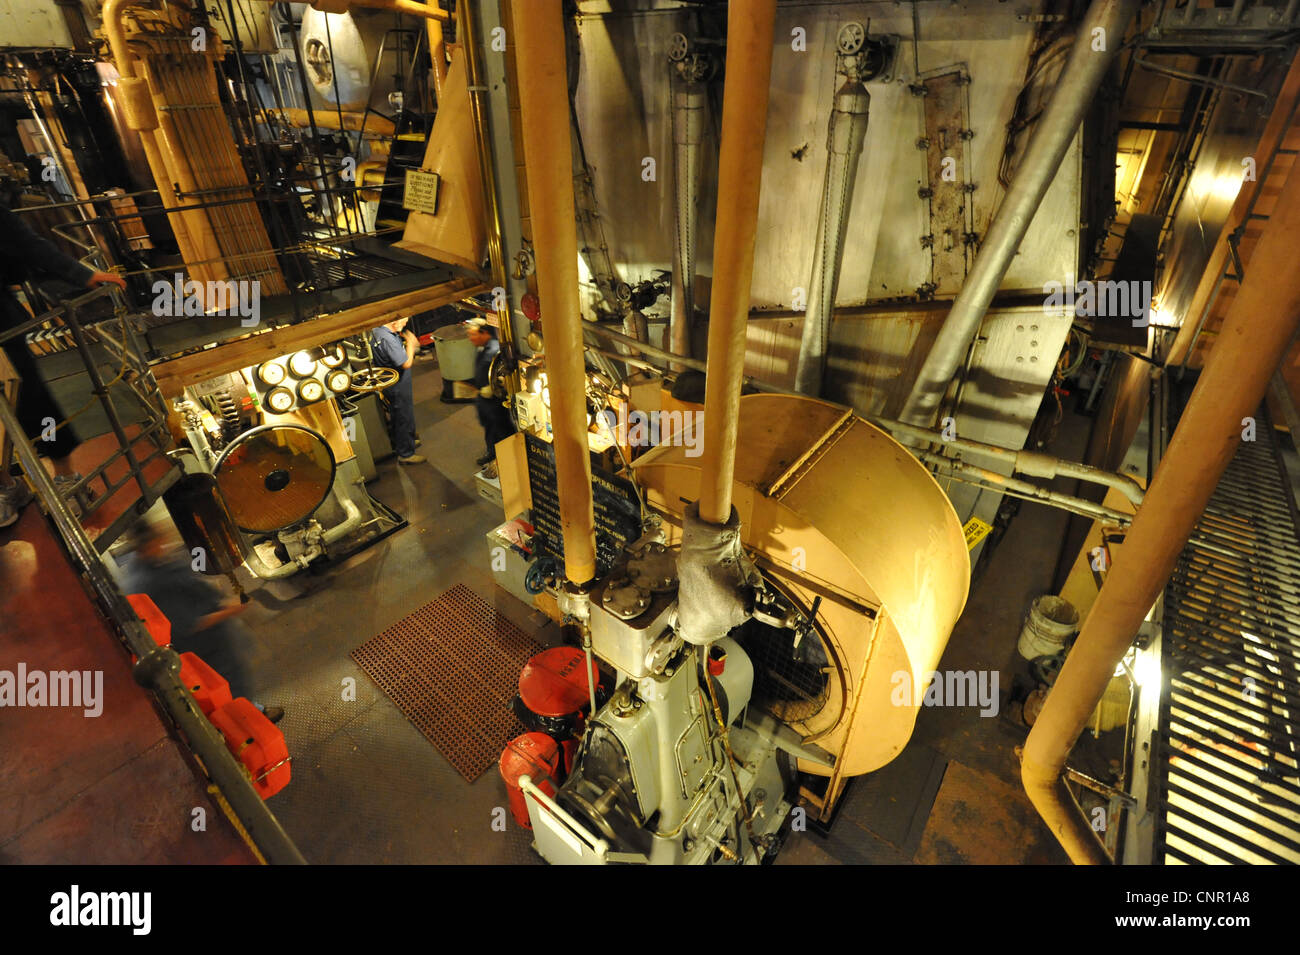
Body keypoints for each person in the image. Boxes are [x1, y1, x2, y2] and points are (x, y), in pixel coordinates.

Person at [0, 203, 127, 528]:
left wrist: (83, 274)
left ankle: (67, 476)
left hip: (1, 326)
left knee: (31, 400)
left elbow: (27, 243)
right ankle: (7, 486)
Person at [118, 520, 283, 723]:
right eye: (159, 540)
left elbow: (183, 578)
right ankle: (249, 722)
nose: (164, 542)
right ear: (148, 545)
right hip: (203, 646)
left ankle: (250, 710)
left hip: (213, 636)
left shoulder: (148, 562)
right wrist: (231, 609)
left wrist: (209, 587)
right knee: (224, 685)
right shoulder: (149, 583)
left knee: (232, 680)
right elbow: (188, 625)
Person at [369, 316, 426, 465]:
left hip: (389, 382)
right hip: (398, 385)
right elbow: (405, 363)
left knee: (397, 416)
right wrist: (411, 345)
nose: (406, 323)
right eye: (404, 321)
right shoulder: (388, 339)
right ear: (394, 321)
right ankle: (406, 453)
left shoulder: (378, 330)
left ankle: (403, 442)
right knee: (404, 417)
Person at [467, 318, 515, 466]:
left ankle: (508, 459)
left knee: (501, 430)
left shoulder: (494, 350)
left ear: (485, 333)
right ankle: (492, 453)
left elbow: (502, 373)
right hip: (483, 399)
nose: (471, 338)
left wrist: (492, 388)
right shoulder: (482, 347)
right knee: (489, 428)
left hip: (494, 401)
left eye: (473, 335)